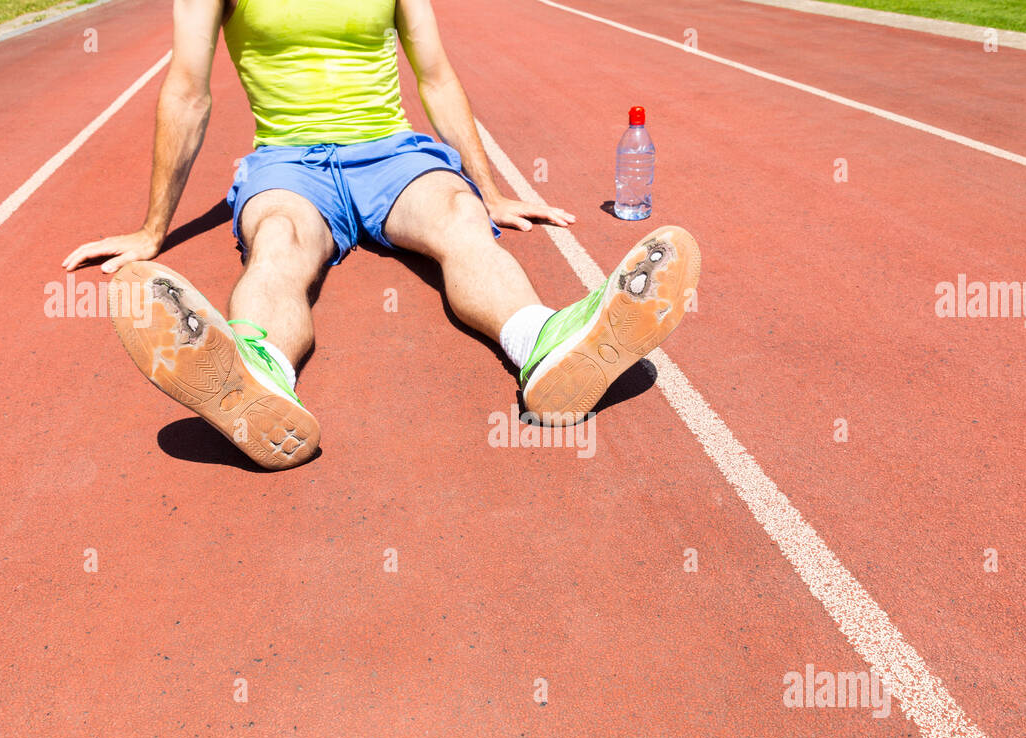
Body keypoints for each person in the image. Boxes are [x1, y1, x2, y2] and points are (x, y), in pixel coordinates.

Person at [63, 0, 700, 469]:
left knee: (460, 214)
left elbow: (437, 78)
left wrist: (492, 191)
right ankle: (257, 376)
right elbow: (187, 91)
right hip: (288, 162)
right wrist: (153, 230)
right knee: (279, 239)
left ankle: (544, 345)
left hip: (390, 154)